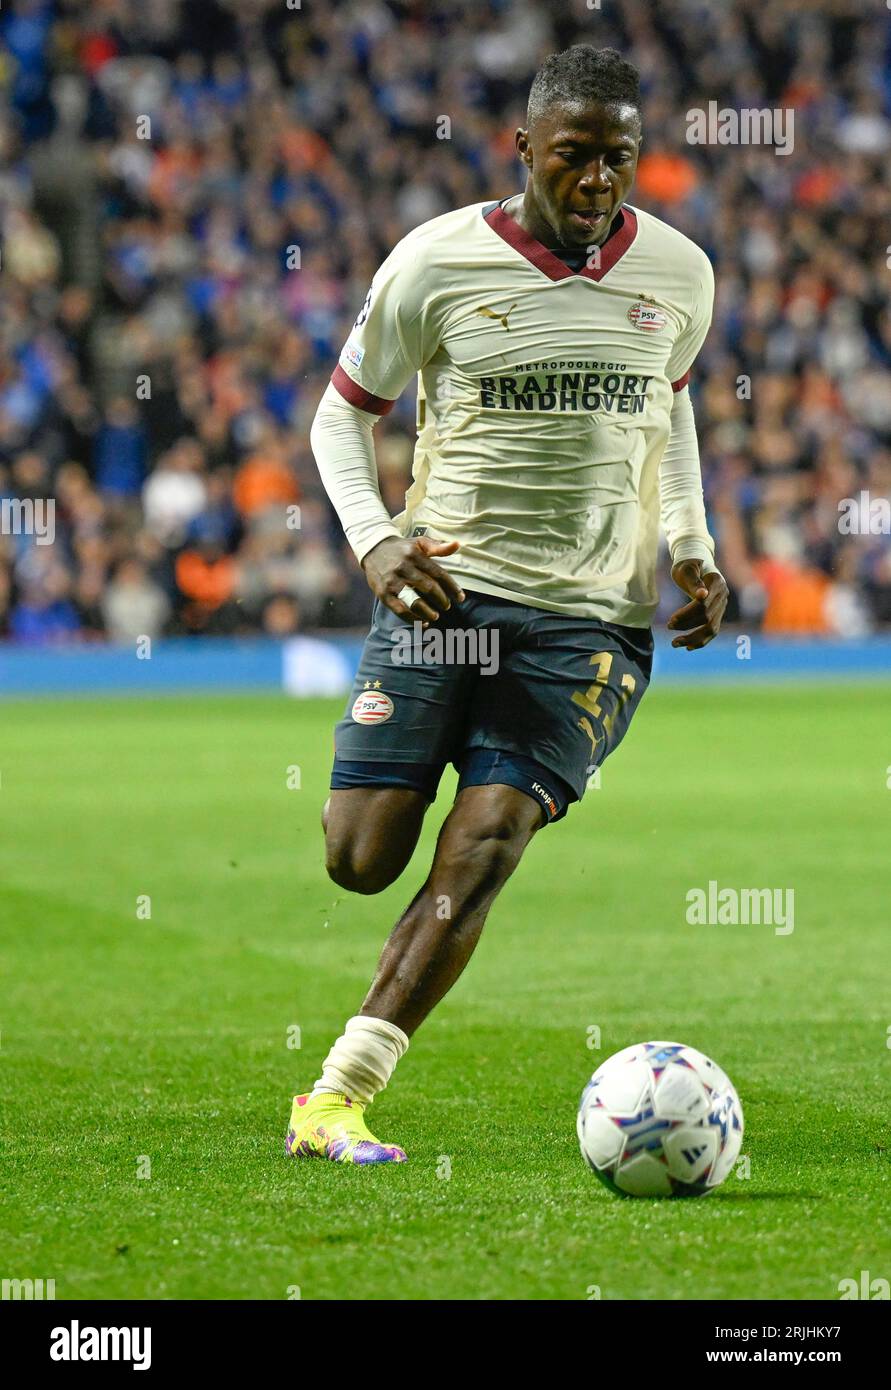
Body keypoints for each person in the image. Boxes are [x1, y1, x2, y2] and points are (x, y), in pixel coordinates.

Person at [291, 46, 729, 1164]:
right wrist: (377, 541)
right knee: (361, 856)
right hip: (445, 593)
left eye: (617, 159)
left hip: (589, 617)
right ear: (523, 149)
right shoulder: (434, 263)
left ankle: (338, 1093)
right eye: (573, 157)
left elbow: (667, 414)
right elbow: (343, 419)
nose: (596, 182)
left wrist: (690, 542)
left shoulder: (680, 273)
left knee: (486, 841)